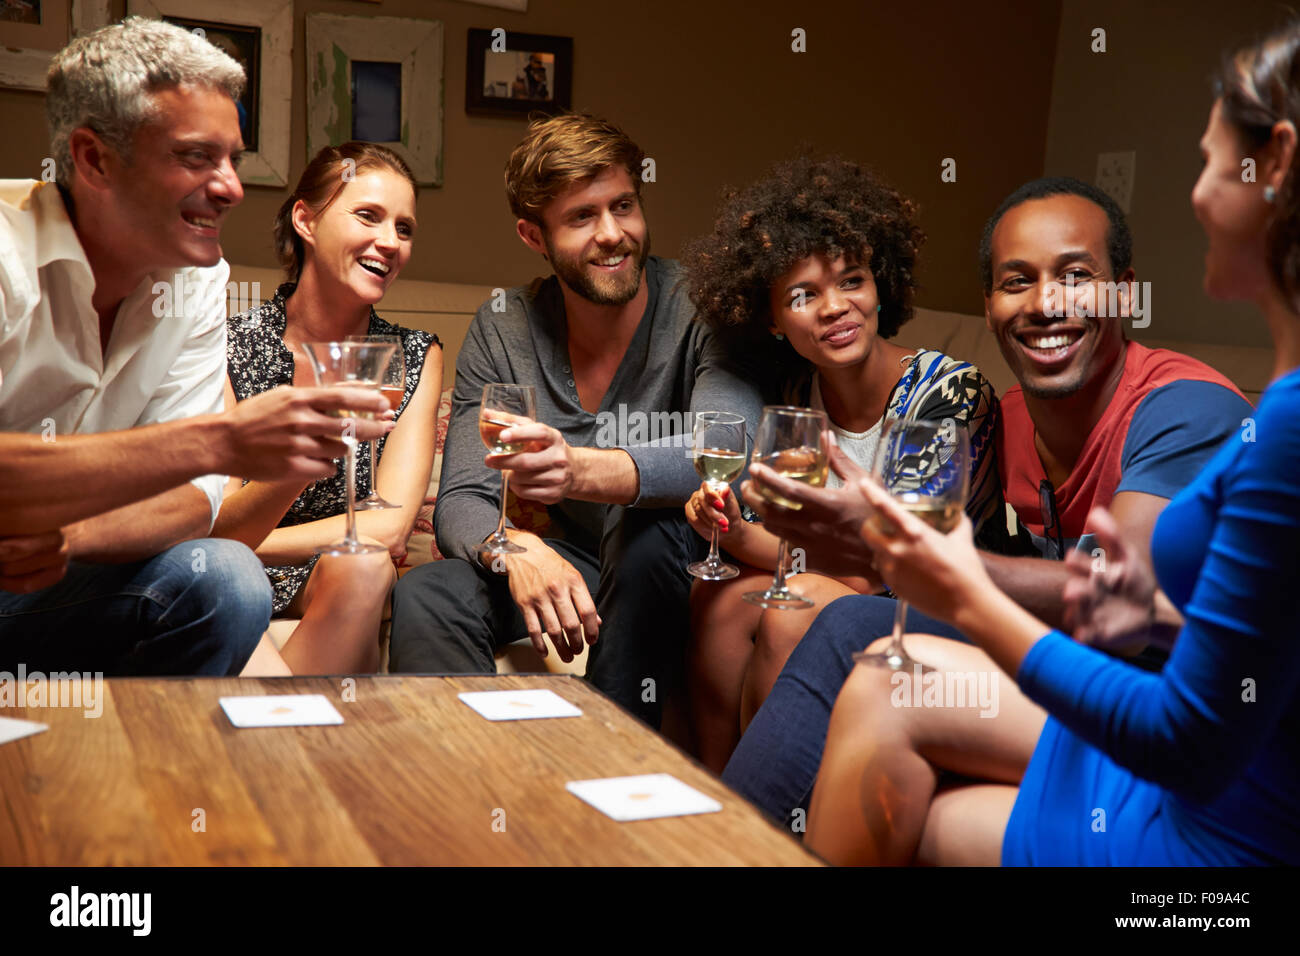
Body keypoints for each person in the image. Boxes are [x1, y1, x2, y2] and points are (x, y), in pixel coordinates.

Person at [806, 20, 1300, 865]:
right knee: (907, 777)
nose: (1193, 194)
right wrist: (1158, 618)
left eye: (1212, 162)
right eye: (1016, 282)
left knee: (888, 680)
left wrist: (963, 590)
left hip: (1214, 843)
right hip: (1216, 782)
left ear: (1276, 166)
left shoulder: (1271, 427)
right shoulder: (1283, 406)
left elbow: (1188, 743)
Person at [723, 176, 1254, 825]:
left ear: (1125, 290)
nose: (1045, 303)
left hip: (1172, 703)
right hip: (1055, 666)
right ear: (990, 303)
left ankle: (715, 842)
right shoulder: (1010, 421)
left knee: (851, 631)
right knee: (936, 818)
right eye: (1016, 281)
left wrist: (889, 542)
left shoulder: (1184, 411)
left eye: (1076, 275)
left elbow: (1113, 597)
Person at [0, 19, 390, 676]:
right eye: (195, 157)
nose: (232, 187)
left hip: (47, 583)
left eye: (233, 157)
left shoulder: (199, 282)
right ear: (94, 159)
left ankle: (155, 774)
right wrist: (220, 439)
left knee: (227, 578)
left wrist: (70, 539)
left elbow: (195, 501)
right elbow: (205, 457)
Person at [388, 113, 763, 728]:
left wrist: (576, 470)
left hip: (685, 561)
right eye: (582, 217)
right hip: (581, 564)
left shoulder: (702, 305)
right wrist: (513, 547)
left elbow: (729, 446)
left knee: (643, 531)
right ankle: (460, 787)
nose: (613, 234)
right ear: (533, 236)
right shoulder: (506, 326)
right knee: (430, 590)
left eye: (624, 206)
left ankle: (609, 761)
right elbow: (462, 497)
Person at [679, 156, 1007, 771]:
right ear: (773, 320)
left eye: (851, 280)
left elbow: (907, 559)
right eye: (803, 295)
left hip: (947, 602)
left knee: (788, 604)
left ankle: (763, 818)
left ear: (880, 286)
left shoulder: (947, 391)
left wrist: (790, 550)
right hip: (857, 580)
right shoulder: (797, 402)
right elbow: (796, 545)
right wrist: (733, 529)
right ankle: (718, 789)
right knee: (717, 599)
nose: (834, 307)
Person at [216, 143, 442, 674]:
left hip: (330, 572)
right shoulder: (227, 346)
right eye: (368, 216)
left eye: (404, 228)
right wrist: (311, 454)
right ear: (306, 221)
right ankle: (302, 744)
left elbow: (386, 530)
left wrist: (254, 543)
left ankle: (281, 739)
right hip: (230, 571)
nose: (389, 242)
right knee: (221, 573)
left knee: (363, 564)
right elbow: (218, 531)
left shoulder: (413, 357)